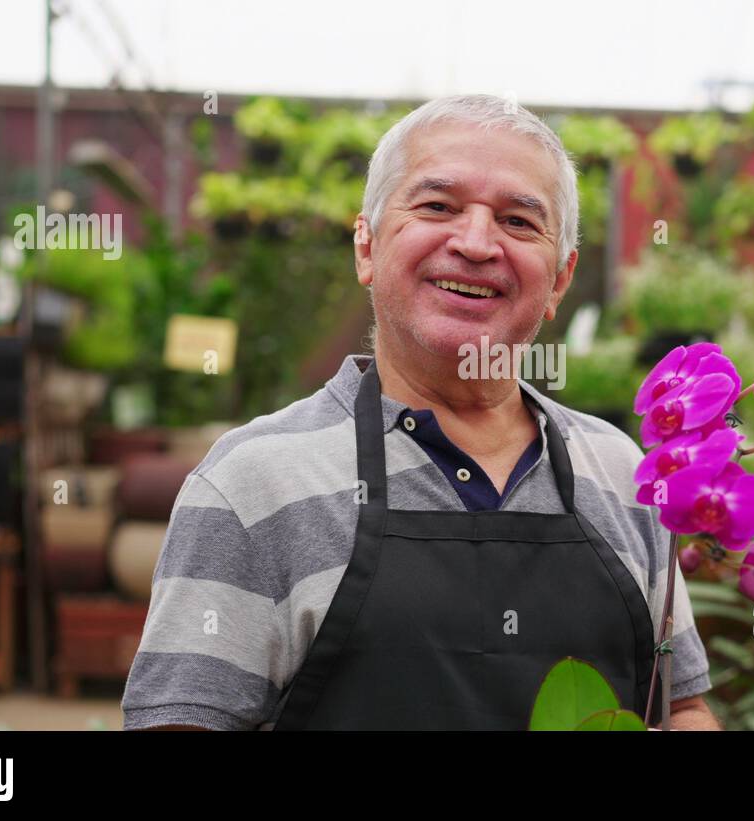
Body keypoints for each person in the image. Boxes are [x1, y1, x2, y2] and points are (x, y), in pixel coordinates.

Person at [121, 94, 717, 730]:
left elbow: (680, 707)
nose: (477, 242)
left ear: (560, 280)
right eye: (437, 206)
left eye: (519, 221)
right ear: (367, 248)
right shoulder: (252, 483)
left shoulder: (629, 476)